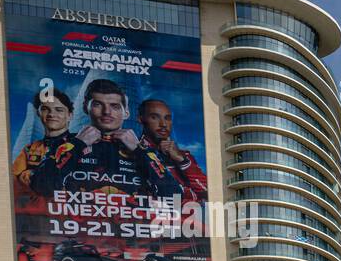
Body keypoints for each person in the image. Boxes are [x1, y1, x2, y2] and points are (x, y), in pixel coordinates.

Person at [31, 78, 182, 200]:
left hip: (131, 233)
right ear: (85, 108)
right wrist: (78, 144)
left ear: (126, 113)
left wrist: (139, 151)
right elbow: (41, 186)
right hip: (78, 232)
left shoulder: (143, 150)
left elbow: (174, 195)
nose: (107, 112)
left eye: (115, 106)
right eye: (98, 104)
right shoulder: (66, 143)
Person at [11, 86, 74, 210]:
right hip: (37, 218)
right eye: (45, 109)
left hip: (74, 217)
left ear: (70, 115)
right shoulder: (29, 150)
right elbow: (13, 187)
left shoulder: (81, 145)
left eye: (59, 110)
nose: (51, 114)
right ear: (39, 113)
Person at [137, 98, 208, 205]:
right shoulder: (134, 151)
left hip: (185, 219)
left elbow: (207, 193)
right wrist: (189, 193)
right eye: (154, 117)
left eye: (167, 118)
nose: (163, 124)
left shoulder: (184, 156)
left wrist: (182, 161)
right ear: (141, 119)